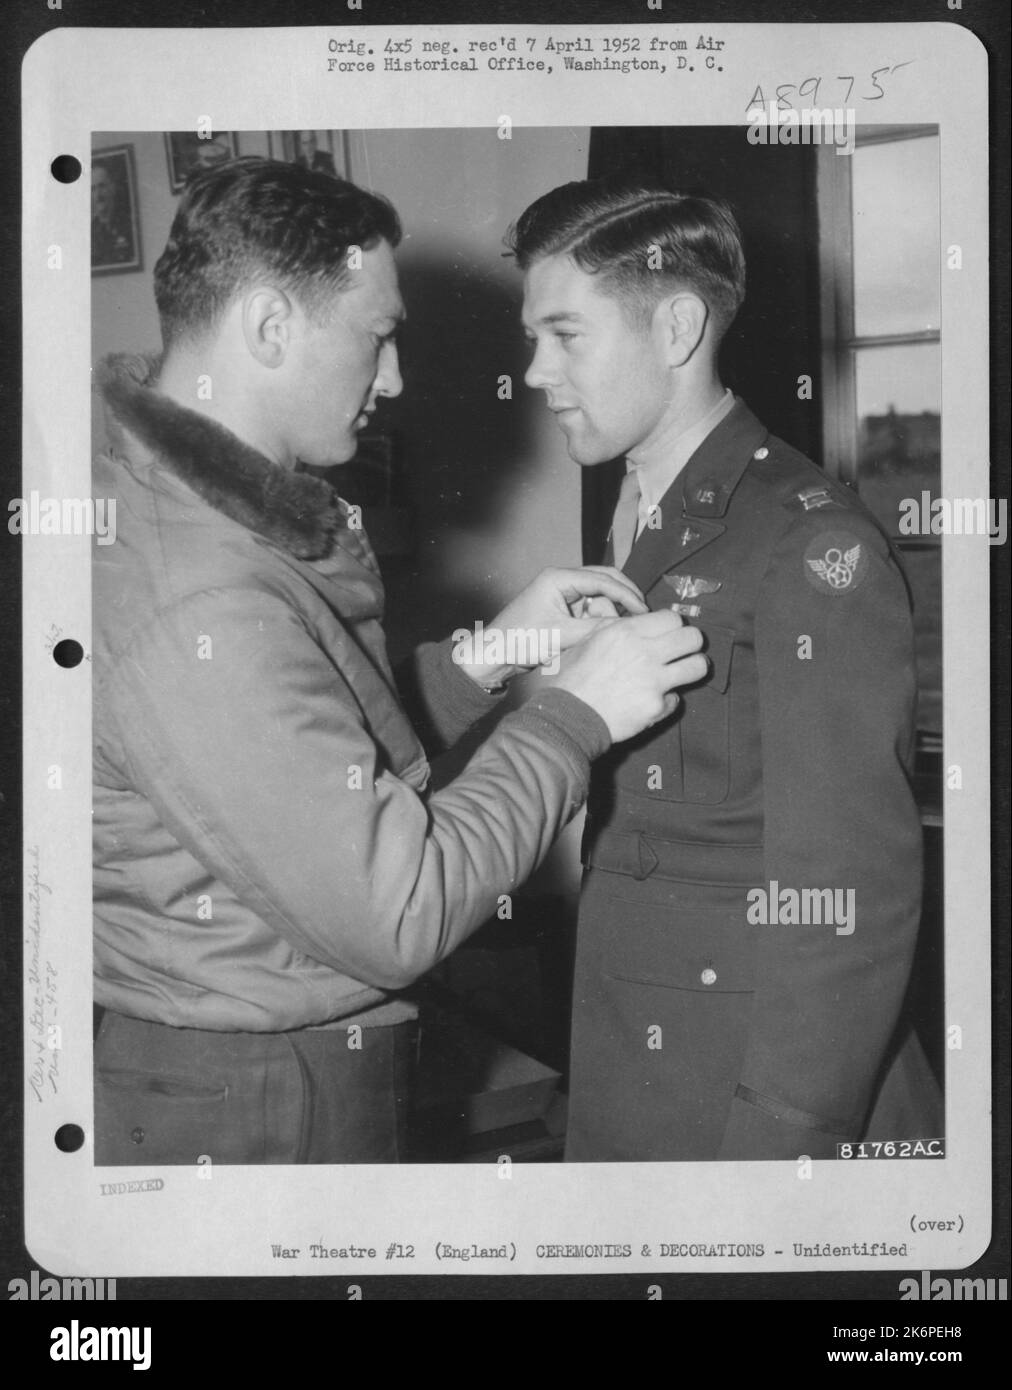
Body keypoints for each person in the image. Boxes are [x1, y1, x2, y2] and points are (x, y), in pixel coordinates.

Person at [91, 157, 707, 1166]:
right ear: (268, 327)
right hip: (257, 1100)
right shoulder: (199, 591)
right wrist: (570, 715)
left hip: (258, 1065)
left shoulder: (187, 514)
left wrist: (495, 651)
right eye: (377, 337)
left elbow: (307, 754)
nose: (394, 379)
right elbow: (398, 905)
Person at [512, 176, 943, 1161]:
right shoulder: (644, 511)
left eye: (565, 334)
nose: (535, 370)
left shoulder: (806, 542)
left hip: (747, 1091)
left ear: (673, 327)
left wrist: (781, 1142)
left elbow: (846, 892)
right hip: (643, 1058)